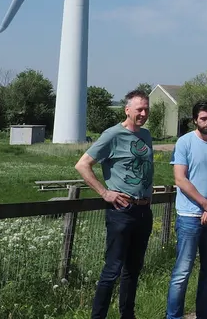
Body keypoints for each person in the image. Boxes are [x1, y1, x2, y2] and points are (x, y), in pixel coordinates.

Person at [75, 89, 155, 319]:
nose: (143, 113)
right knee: (112, 269)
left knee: (133, 270)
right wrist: (104, 192)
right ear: (127, 109)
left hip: (143, 210)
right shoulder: (113, 135)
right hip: (122, 210)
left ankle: (127, 315)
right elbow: (82, 165)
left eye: (146, 109)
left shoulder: (146, 135)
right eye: (139, 109)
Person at [166, 99, 207, 319]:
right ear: (195, 119)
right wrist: (205, 203)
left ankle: (204, 314)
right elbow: (180, 179)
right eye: (203, 118)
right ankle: (174, 316)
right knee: (182, 272)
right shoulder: (184, 143)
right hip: (189, 216)